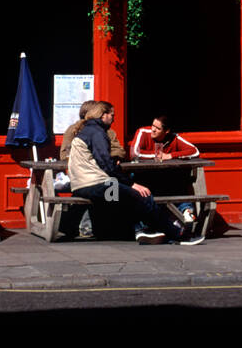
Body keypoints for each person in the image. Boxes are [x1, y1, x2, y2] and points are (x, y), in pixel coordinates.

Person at [68, 101, 201, 245]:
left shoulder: (87, 130)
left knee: (126, 198)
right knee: (142, 195)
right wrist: (132, 184)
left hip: (82, 186)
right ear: (103, 115)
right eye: (112, 115)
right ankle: (178, 235)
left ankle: (145, 230)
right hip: (96, 185)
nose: (114, 119)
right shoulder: (97, 132)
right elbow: (107, 166)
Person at [59, 100, 125, 239]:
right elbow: (65, 153)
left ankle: (101, 227)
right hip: (82, 174)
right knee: (110, 190)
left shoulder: (107, 131)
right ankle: (91, 226)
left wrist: (111, 156)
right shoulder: (74, 130)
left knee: (110, 190)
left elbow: (118, 150)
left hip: (100, 173)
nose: (112, 117)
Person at [129, 115, 201, 227]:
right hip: (145, 176)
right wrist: (157, 155)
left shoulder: (174, 137)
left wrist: (171, 155)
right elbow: (134, 153)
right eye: (153, 125)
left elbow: (194, 151)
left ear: (166, 131)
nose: (153, 129)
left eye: (157, 128)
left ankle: (187, 212)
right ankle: (147, 224)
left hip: (166, 176)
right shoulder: (143, 132)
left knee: (178, 183)